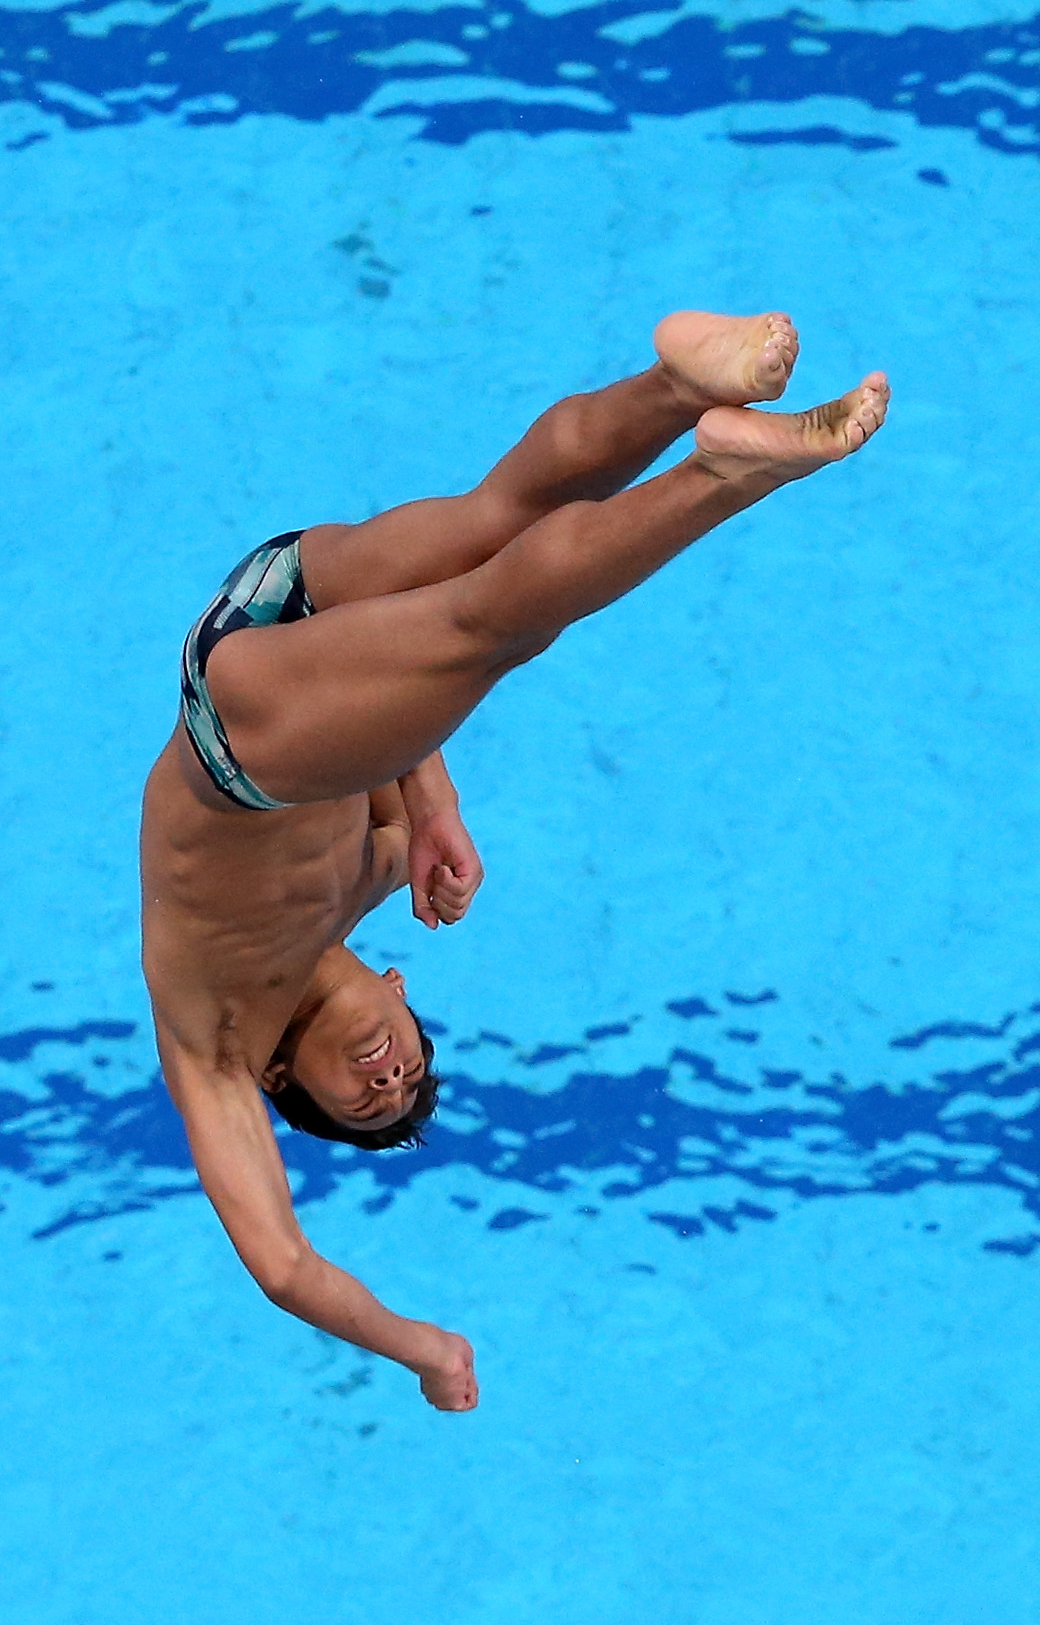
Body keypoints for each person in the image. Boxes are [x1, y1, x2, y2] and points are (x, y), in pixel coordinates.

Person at [138, 314, 889, 1413]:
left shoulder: (216, 1042)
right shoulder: (371, 875)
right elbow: (376, 701)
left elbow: (284, 1267)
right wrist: (434, 809)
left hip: (238, 742)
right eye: (408, 1080)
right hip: (270, 606)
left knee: (489, 622)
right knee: (500, 520)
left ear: (281, 1083)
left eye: (364, 1104)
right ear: (403, 990)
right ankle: (680, 382)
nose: (390, 1079)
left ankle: (723, 476)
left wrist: (423, 1351)